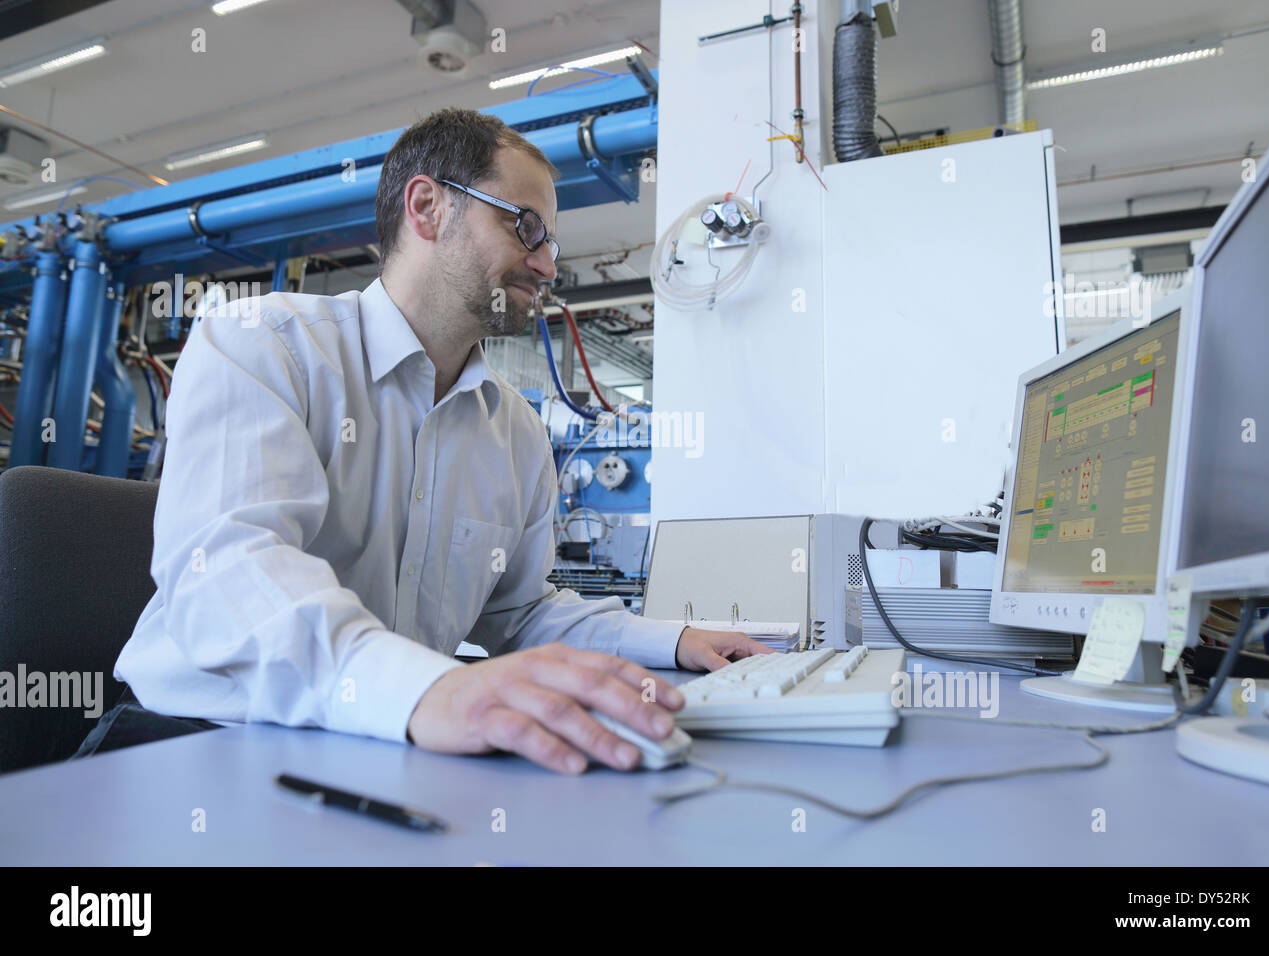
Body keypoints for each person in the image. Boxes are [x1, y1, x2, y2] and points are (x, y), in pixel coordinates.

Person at [78, 107, 771, 774]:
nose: (547, 265)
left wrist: (674, 643)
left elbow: (519, 615)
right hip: (197, 743)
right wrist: (421, 691)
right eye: (525, 227)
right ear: (427, 208)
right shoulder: (264, 347)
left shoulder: (516, 433)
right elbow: (230, 570)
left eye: (550, 242)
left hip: (381, 743)